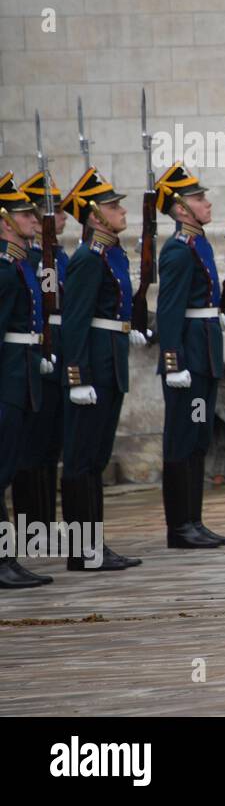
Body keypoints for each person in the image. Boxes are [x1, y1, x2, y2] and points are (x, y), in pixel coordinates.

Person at [57, 167, 146, 571]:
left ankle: (94, 546)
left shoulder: (111, 254)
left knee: (95, 459)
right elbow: (75, 321)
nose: (121, 211)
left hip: (110, 362)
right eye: (112, 207)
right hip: (93, 366)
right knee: (81, 460)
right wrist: (77, 377)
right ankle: (82, 550)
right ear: (94, 217)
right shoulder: (87, 260)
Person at [155, 162, 225, 547]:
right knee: (182, 440)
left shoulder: (198, 243)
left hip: (203, 356)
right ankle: (180, 527)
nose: (207, 203)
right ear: (180, 209)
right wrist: (172, 362)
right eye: (198, 198)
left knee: (199, 438)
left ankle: (194, 521)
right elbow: (169, 310)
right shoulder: (176, 251)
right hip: (187, 360)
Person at [0, 172, 54, 587]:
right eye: (21, 214)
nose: (31, 218)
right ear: (4, 222)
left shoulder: (17, 265)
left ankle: (8, 560)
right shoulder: (4, 270)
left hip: (22, 373)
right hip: (9, 377)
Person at [9, 171, 69, 536]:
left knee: (49, 445)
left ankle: (46, 523)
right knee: (30, 449)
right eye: (49, 211)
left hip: (50, 352)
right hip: (31, 358)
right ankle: (33, 527)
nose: (57, 217)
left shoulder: (54, 255)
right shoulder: (26, 259)